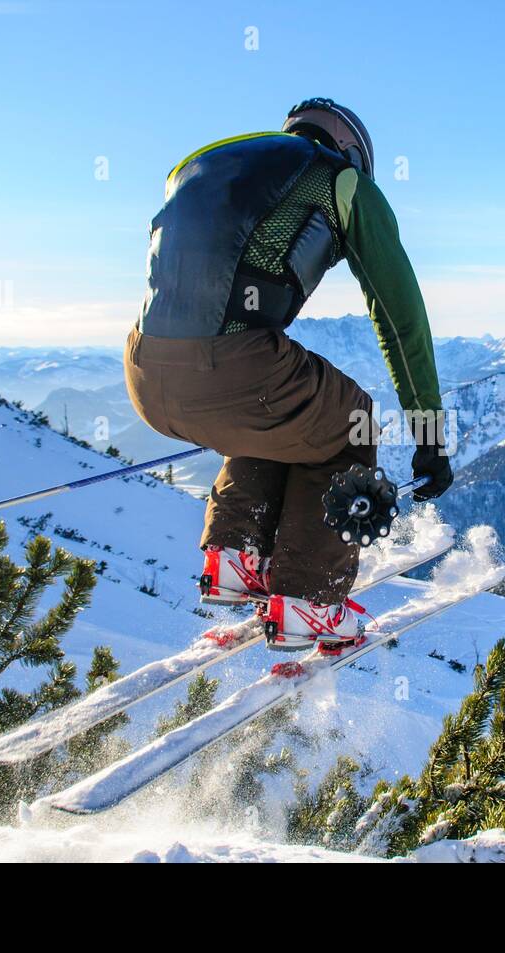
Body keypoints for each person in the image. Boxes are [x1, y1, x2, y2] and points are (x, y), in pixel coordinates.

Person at [124, 98, 452, 651]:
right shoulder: (341, 180)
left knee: (280, 412)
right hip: (234, 364)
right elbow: (401, 320)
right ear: (352, 152)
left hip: (142, 372)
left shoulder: (207, 163)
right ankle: (311, 599)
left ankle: (234, 556)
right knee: (351, 420)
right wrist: (430, 435)